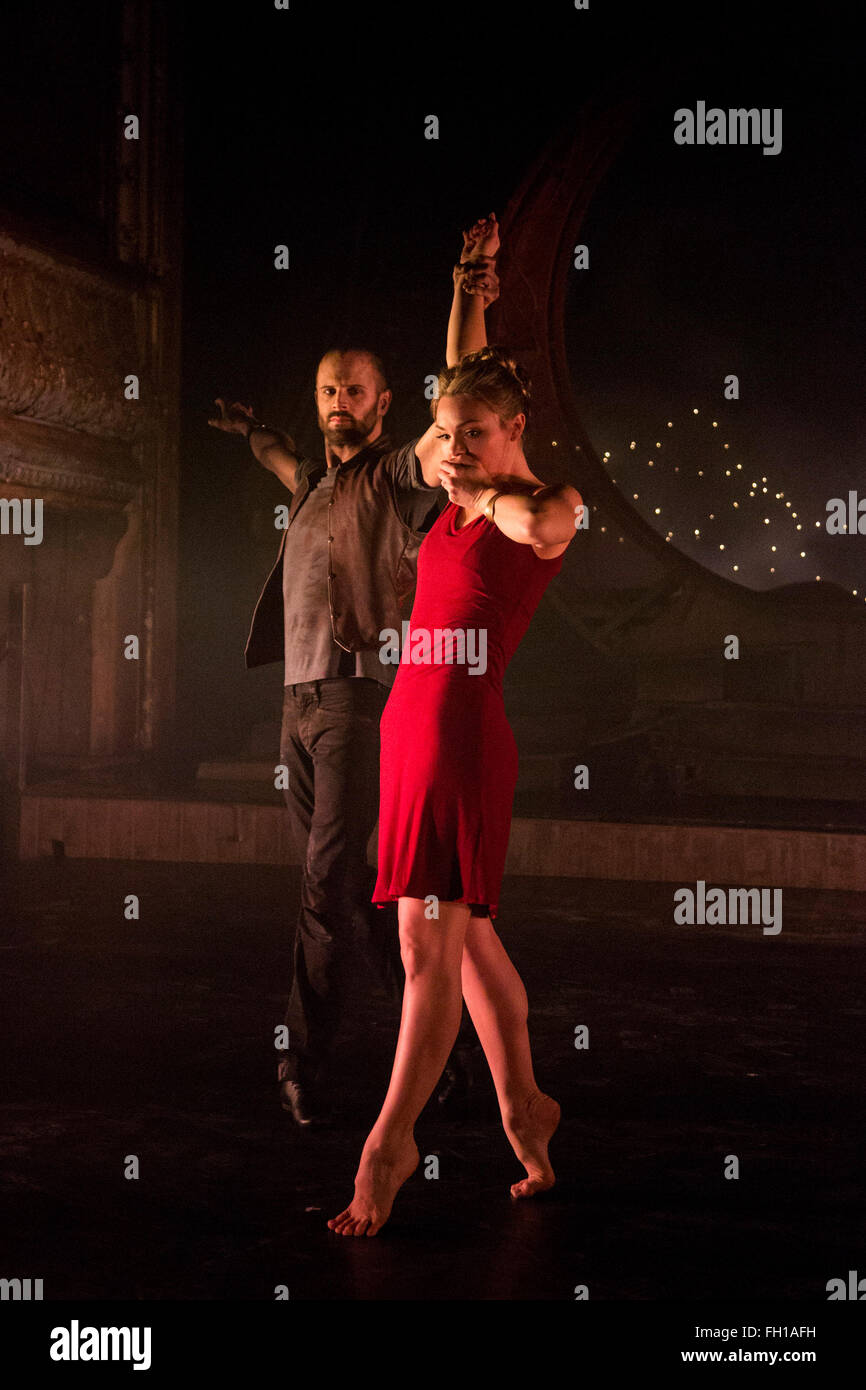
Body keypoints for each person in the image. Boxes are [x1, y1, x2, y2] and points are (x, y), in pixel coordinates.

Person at [327, 214, 584, 1236]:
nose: (450, 448)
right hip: (408, 731)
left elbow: (546, 522)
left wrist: (502, 493)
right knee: (466, 940)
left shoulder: (532, 504)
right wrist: (467, 288)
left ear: (513, 432)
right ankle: (524, 1106)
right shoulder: (460, 479)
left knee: (428, 946)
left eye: (471, 436)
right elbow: (457, 377)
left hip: (461, 739)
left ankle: (389, 1144)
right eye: (447, 433)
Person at [206, 244, 500, 1127]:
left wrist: (463, 290)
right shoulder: (311, 484)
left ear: (384, 404)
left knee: (323, 885)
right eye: (330, 389)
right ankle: (442, 1051)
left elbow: (454, 409)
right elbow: (277, 453)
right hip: (295, 707)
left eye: (357, 390)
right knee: (351, 887)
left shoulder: (394, 478)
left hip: (354, 705)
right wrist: (251, 430)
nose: (341, 401)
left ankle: (301, 1057)